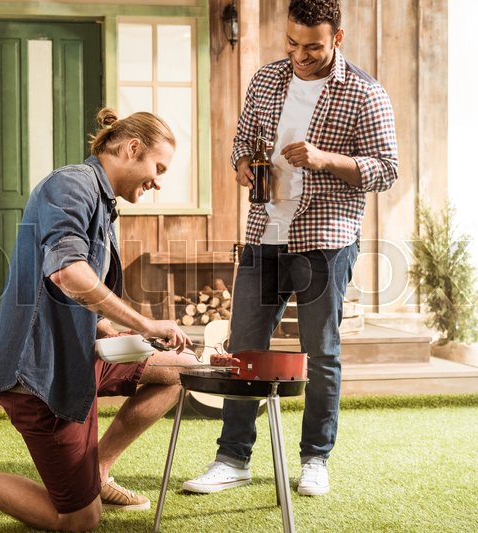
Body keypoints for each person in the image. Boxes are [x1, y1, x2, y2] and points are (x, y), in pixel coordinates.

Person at [0, 108, 195, 532]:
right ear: (133, 148)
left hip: (77, 356)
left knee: (182, 371)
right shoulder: (71, 186)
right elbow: (66, 272)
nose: (158, 181)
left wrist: (102, 326)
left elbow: (61, 288)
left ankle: (98, 472)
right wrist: (147, 325)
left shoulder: (101, 200)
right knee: (78, 521)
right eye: (158, 167)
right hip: (42, 374)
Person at [183, 0, 398, 497]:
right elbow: (242, 141)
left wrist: (325, 159)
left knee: (320, 353)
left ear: (337, 39)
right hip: (265, 234)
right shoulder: (266, 80)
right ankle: (232, 458)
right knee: (243, 348)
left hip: (324, 241)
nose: (300, 55)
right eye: (292, 43)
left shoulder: (365, 93)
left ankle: (314, 459)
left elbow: (386, 169)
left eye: (313, 47)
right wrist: (241, 164)